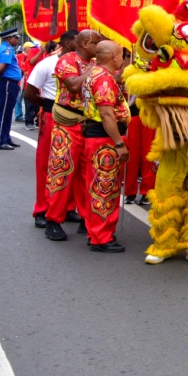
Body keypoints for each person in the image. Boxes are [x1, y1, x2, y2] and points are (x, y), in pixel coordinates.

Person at [44, 29, 103, 242]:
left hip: (89, 124)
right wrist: (97, 69)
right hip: (67, 123)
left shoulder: (95, 62)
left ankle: (87, 219)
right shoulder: (67, 60)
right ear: (85, 44)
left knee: (88, 175)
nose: (100, 48)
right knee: (62, 171)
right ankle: (53, 220)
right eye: (97, 44)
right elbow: (74, 85)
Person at [80, 40, 130, 253]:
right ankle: (100, 237)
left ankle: (96, 232)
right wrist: (119, 142)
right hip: (104, 140)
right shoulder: (103, 79)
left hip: (97, 137)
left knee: (98, 186)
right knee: (104, 187)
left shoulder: (94, 73)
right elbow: (107, 114)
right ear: (114, 57)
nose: (122, 59)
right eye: (121, 55)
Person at [25, 37, 68, 227]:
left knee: (72, 164)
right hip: (51, 116)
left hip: (77, 118)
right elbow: (29, 93)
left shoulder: (86, 65)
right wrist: (48, 105)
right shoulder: (47, 63)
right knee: (46, 162)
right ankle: (42, 208)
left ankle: (69, 207)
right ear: (68, 44)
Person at [0, 28, 23, 150]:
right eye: (16, 38)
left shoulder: (3, 48)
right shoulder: (7, 50)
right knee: (5, 112)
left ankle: (6, 137)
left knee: (7, 112)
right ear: (9, 38)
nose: (18, 40)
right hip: (7, 83)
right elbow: (0, 68)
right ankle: (0, 140)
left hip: (8, 83)